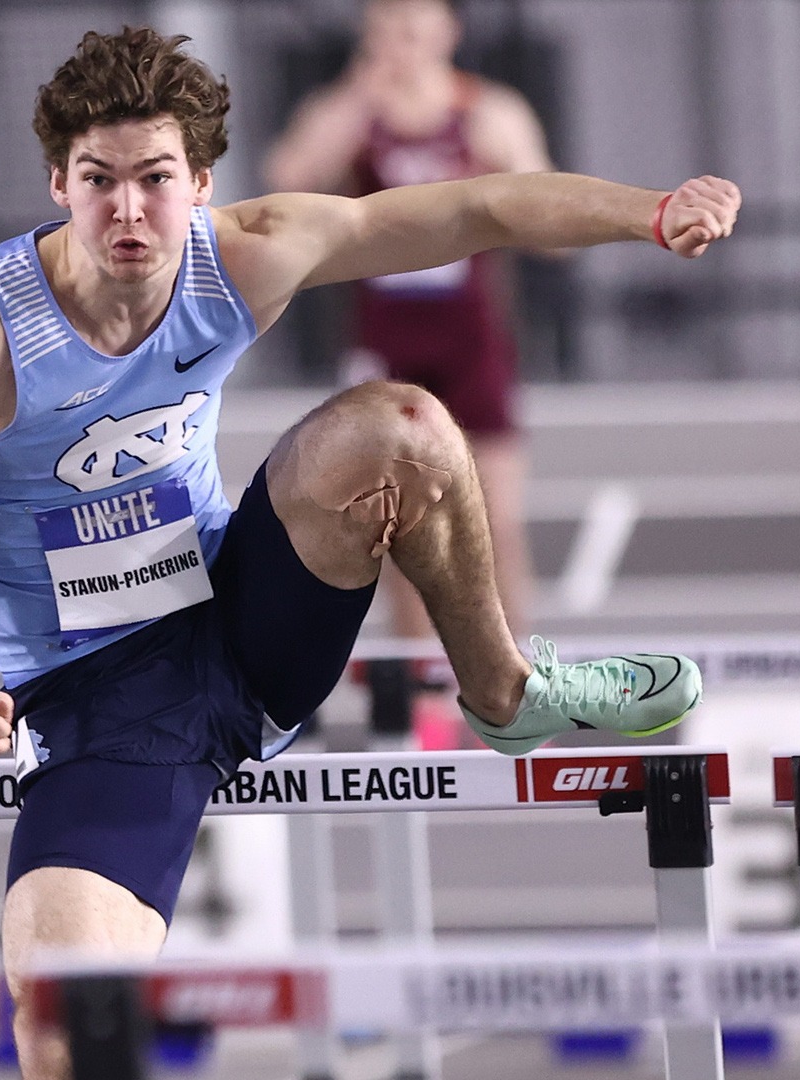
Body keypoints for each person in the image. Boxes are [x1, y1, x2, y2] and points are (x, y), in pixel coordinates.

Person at [0, 27, 736, 1078]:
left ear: (201, 181)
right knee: (55, 1027)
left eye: (155, 180)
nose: (128, 212)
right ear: (58, 180)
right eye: (99, 181)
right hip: (98, 694)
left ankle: (505, 688)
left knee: (403, 425)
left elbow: (477, 206)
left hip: (246, 617)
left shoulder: (248, 252)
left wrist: (650, 212)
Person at [266, 0, 553, 745]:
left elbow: (549, 215)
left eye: (416, 30)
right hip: (387, 341)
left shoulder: (488, 111)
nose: (402, 46)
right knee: (403, 530)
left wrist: (505, 173)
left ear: (448, 34)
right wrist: (355, 104)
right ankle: (426, 685)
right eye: (387, 30)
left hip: (470, 337)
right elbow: (287, 182)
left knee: (498, 520)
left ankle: (521, 683)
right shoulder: (351, 113)